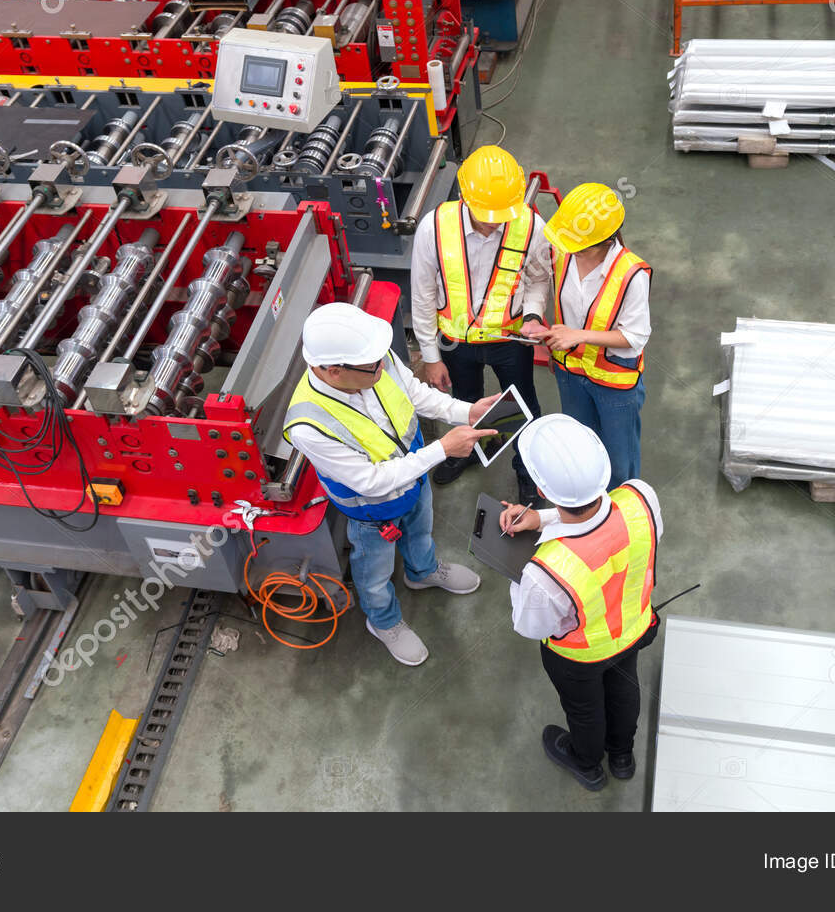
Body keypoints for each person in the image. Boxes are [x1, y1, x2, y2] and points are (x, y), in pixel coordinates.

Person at [283, 302, 500, 666]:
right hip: (373, 512)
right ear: (334, 371)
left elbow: (414, 393)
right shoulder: (309, 425)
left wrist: (466, 411)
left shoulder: (373, 358)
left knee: (420, 531)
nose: (383, 367)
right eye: (373, 367)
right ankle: (383, 622)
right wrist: (442, 450)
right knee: (374, 572)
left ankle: (423, 571)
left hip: (414, 481)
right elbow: (371, 481)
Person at [499, 414, 663, 791]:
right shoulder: (642, 499)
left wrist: (522, 575)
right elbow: (598, 519)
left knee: (585, 711)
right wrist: (541, 521)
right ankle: (621, 756)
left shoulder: (546, 572)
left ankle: (587, 764)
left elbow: (530, 626)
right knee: (625, 688)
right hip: (635, 628)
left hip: (580, 658)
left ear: (541, 486)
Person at [411, 144, 551, 506]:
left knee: (523, 407)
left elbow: (538, 278)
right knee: (467, 402)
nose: (494, 221)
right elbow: (423, 293)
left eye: (502, 213)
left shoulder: (530, 224)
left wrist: (533, 315)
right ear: (464, 196)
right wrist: (431, 356)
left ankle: (527, 472)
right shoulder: (434, 228)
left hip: (510, 339)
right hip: (457, 344)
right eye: (486, 213)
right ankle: (467, 452)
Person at [538, 183, 652, 489]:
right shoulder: (563, 254)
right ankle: (587, 508)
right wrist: (536, 319)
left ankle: (620, 520)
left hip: (614, 386)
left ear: (599, 242)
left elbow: (635, 338)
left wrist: (578, 336)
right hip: (571, 375)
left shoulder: (631, 275)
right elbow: (538, 282)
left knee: (619, 462)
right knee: (580, 448)